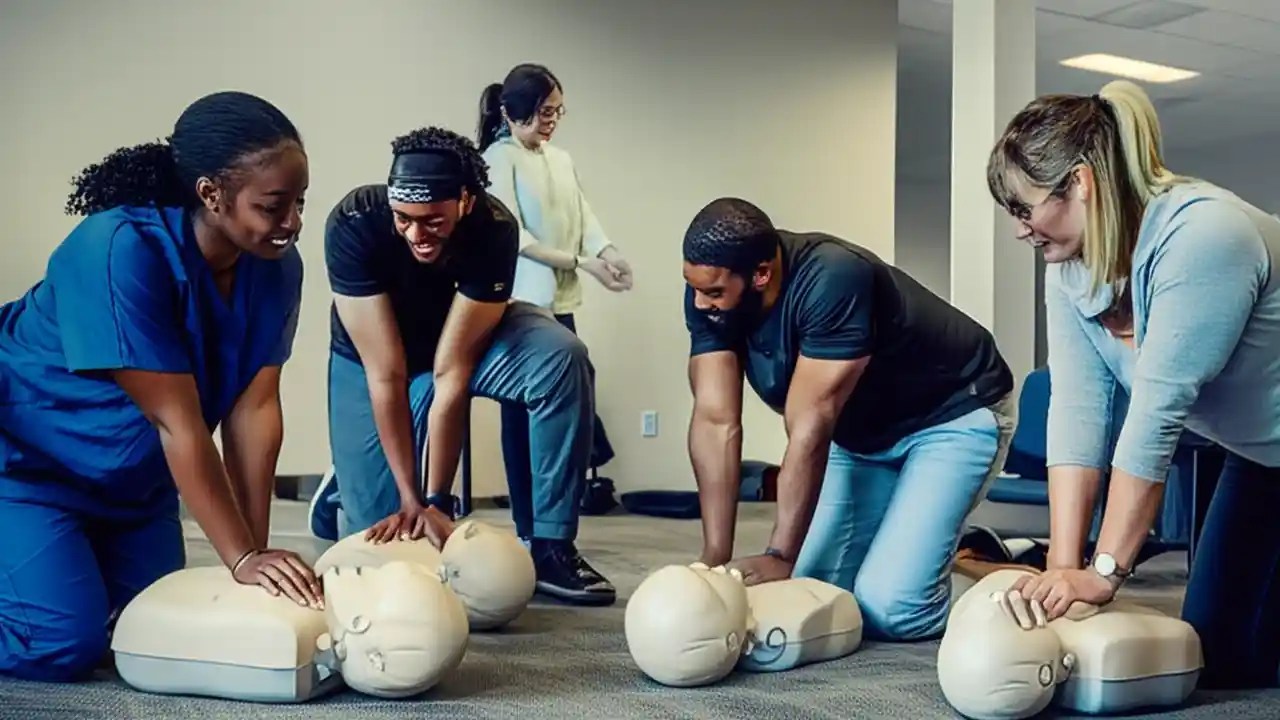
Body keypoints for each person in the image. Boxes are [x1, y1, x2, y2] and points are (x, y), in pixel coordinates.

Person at [0, 91, 321, 683]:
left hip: (133, 489)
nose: (293, 223)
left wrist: (252, 559)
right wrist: (242, 556)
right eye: (274, 206)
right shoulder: (118, 248)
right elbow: (176, 420)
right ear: (211, 194)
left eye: (300, 202)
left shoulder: (276, 266)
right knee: (60, 645)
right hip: (27, 470)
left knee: (150, 634)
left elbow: (254, 411)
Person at [987, 79, 1280, 689]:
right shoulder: (1072, 267)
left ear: (1080, 184)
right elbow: (1077, 411)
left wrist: (1105, 572)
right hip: (1261, 455)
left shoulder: (1203, 237)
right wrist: (1062, 568)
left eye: (1023, 207)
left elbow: (1155, 416)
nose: (1019, 229)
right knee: (1224, 658)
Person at [308, 126, 616, 606]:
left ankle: (550, 546)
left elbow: (451, 374)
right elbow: (386, 374)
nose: (416, 235)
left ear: (466, 201)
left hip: (461, 340)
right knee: (378, 538)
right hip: (376, 357)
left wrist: (436, 501)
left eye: (433, 220)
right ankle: (343, 489)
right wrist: (411, 499)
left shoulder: (493, 228)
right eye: (403, 219)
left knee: (560, 357)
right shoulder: (355, 222)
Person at [683, 197, 1015, 641]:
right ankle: (917, 554)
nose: (699, 302)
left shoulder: (832, 277)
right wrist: (713, 561)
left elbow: (809, 426)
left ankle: (995, 575)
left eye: (713, 292)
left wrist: (780, 554)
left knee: (893, 609)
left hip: (952, 416)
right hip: (862, 437)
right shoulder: (711, 294)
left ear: (761, 274)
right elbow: (715, 423)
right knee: (813, 591)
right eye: (693, 287)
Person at [477, 63, 632, 544]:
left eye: (558, 111)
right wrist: (583, 262)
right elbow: (516, 236)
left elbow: (584, 216)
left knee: (566, 412)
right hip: (520, 305)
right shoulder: (498, 160)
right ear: (512, 112)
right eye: (544, 112)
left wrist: (608, 253)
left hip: (560, 303)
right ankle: (528, 527)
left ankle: (554, 529)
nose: (552, 121)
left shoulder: (560, 159)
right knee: (521, 420)